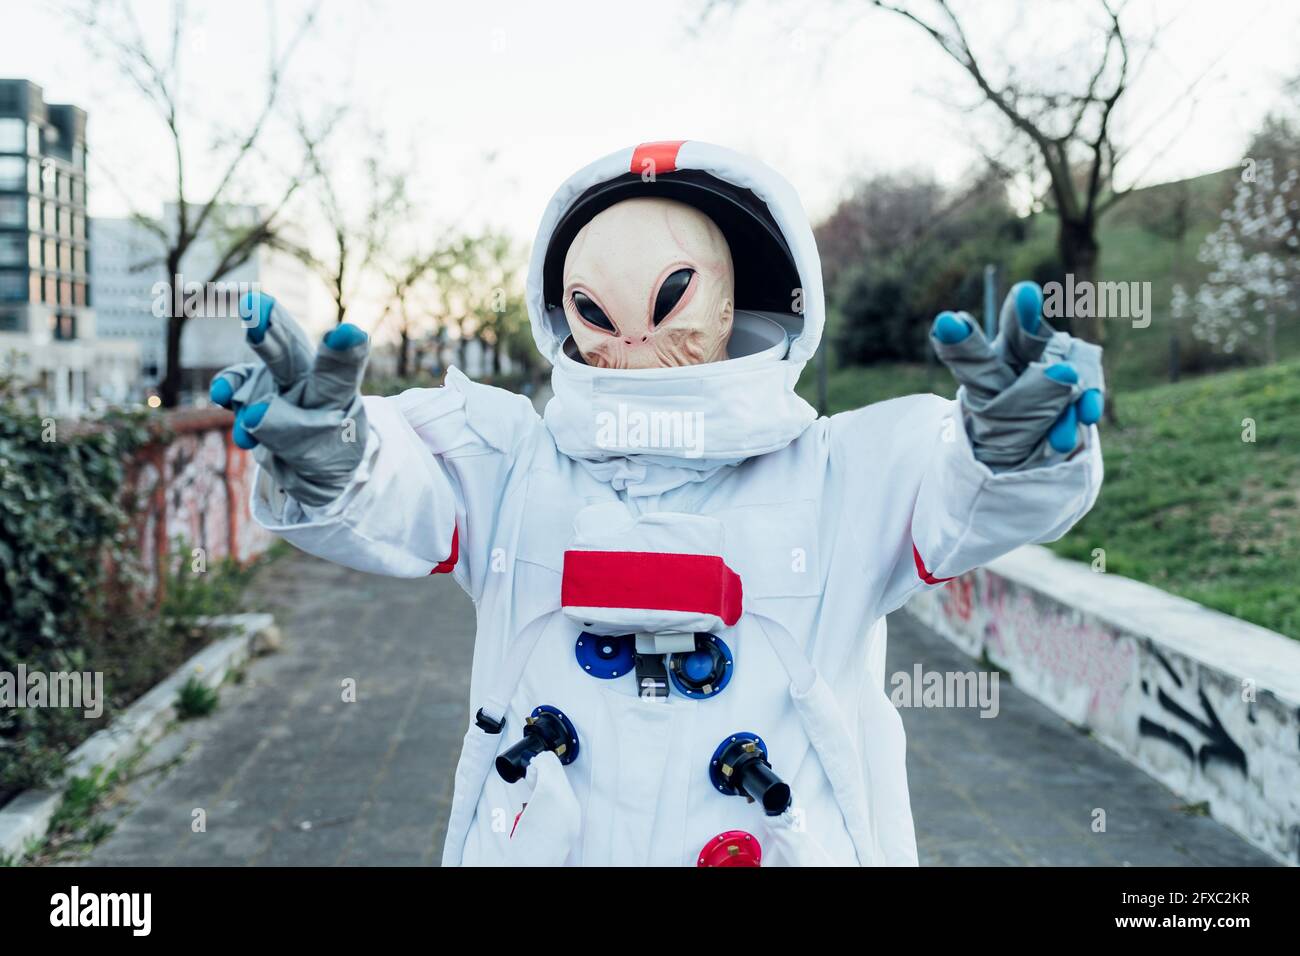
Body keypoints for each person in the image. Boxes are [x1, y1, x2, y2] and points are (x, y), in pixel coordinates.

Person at [211, 140, 1104, 866]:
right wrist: (336, 457)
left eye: (668, 296)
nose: (632, 336)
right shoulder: (513, 466)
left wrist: (1007, 452)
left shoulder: (839, 476)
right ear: (563, 313)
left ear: (728, 303)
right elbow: (399, 482)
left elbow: (959, 492)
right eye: (595, 309)